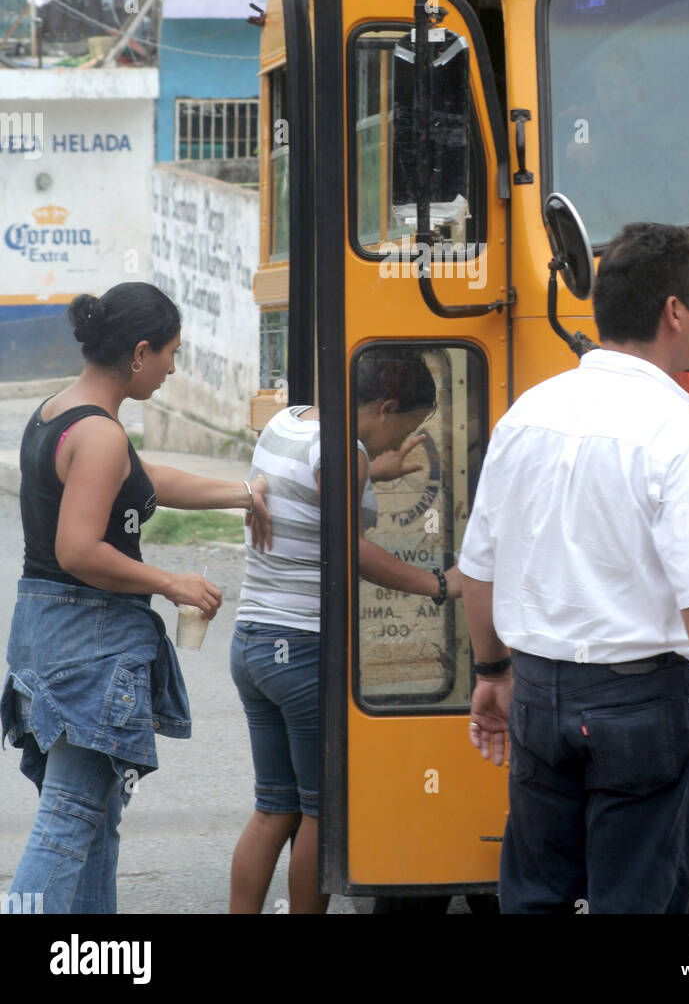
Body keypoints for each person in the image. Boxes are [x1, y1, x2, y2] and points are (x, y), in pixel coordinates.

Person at [458, 223, 689, 914]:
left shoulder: (527, 415)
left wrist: (491, 676)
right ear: (673, 312)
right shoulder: (681, 429)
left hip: (539, 696)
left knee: (536, 898)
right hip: (640, 708)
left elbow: (478, 568)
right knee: (637, 899)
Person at [0, 284, 271, 915]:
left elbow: (145, 482)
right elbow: (78, 549)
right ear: (140, 353)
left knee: (92, 817)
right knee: (69, 818)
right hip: (87, 634)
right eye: (172, 354)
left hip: (46, 628)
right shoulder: (99, 434)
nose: (174, 369)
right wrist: (170, 582)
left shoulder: (60, 413)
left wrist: (241, 492)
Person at [229, 346, 462, 915]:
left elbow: (303, 495)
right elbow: (351, 551)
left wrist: (372, 470)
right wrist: (440, 584)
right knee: (321, 811)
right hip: (302, 646)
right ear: (385, 407)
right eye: (410, 423)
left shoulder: (290, 420)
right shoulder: (347, 452)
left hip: (253, 639)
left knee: (272, 808)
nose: (402, 438)